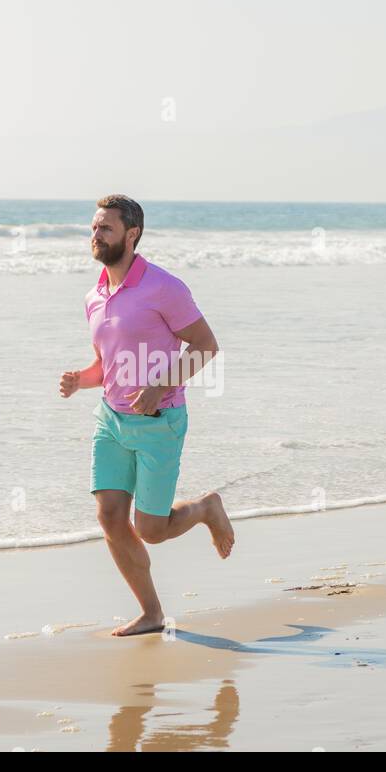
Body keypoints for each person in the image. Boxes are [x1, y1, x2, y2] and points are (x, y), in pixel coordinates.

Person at [59, 194, 235, 637]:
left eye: (106, 228)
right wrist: (82, 379)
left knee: (151, 530)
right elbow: (109, 364)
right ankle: (152, 612)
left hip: (161, 423)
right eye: (94, 227)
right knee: (110, 518)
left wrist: (159, 387)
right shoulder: (94, 296)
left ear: (131, 234)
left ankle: (205, 508)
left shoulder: (164, 288)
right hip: (111, 422)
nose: (95, 235)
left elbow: (206, 346)